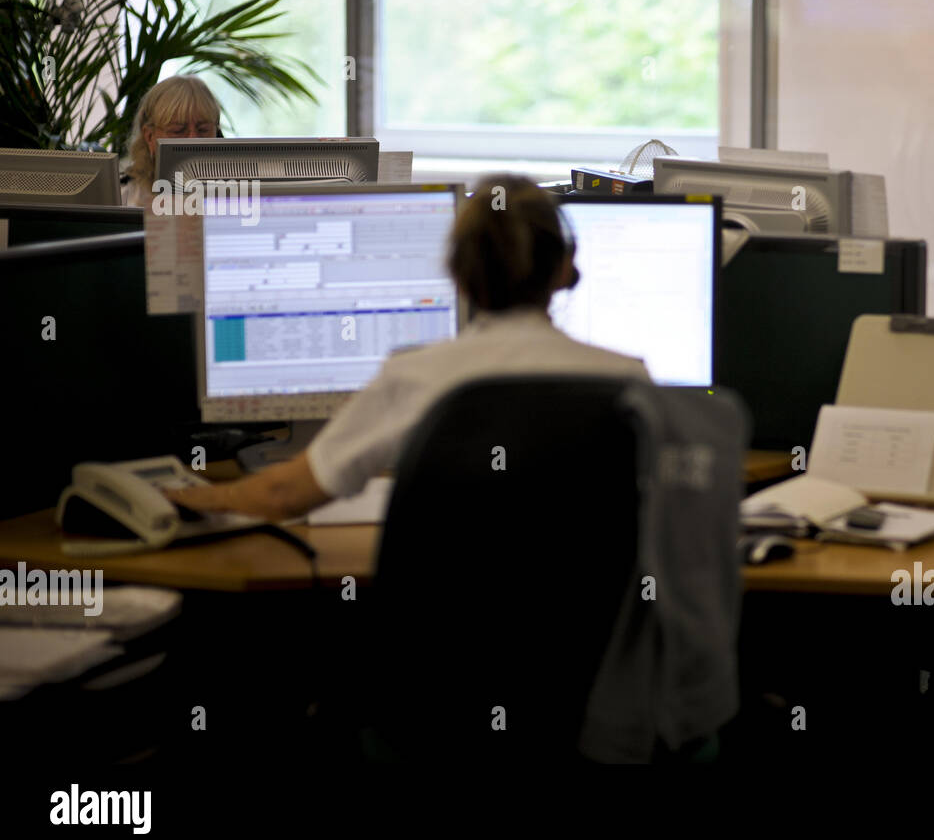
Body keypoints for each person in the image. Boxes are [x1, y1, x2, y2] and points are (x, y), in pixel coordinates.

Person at [168, 175, 650, 520]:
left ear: (458, 275)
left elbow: (283, 495)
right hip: (589, 654)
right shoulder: (631, 381)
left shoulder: (417, 376)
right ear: (565, 268)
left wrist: (188, 498)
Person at [120, 75, 222, 207]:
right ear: (150, 136)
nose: (193, 140)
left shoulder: (237, 194)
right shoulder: (123, 194)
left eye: (203, 130)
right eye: (178, 131)